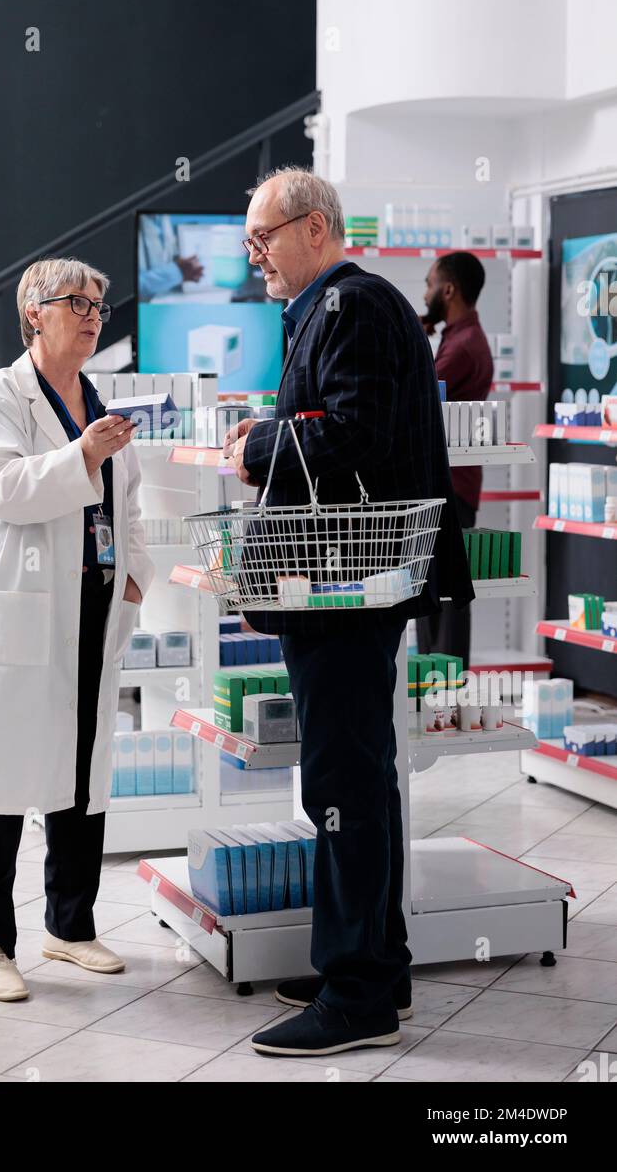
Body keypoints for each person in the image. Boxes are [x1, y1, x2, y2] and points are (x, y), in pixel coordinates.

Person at [223, 167, 472, 1058]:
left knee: (342, 785)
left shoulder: (353, 306)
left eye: (266, 237)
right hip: (336, 584)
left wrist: (258, 443)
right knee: (356, 778)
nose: (256, 256)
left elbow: (354, 433)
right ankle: (374, 965)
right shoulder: (338, 309)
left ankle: (357, 991)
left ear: (317, 229)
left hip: (346, 588)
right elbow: (339, 424)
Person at [0, 258, 155, 1001]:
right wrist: (83, 455)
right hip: (24, 610)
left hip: (94, 606)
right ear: (34, 313)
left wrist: (137, 569)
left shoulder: (99, 397)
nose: (94, 313)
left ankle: (70, 927)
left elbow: (126, 498)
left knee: (79, 778)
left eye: (100, 302)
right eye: (77, 301)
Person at [416, 253, 494, 667]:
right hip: (451, 483)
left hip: (451, 488)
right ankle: (433, 692)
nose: (425, 293)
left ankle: (442, 697)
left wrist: (416, 337)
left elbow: (420, 395)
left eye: (429, 284)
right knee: (434, 596)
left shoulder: (463, 346)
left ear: (448, 290)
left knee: (445, 600)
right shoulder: (460, 337)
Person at [137, 213, 205, 299]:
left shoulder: (162, 217)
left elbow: (167, 252)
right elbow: (130, 286)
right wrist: (177, 272)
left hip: (164, 297)